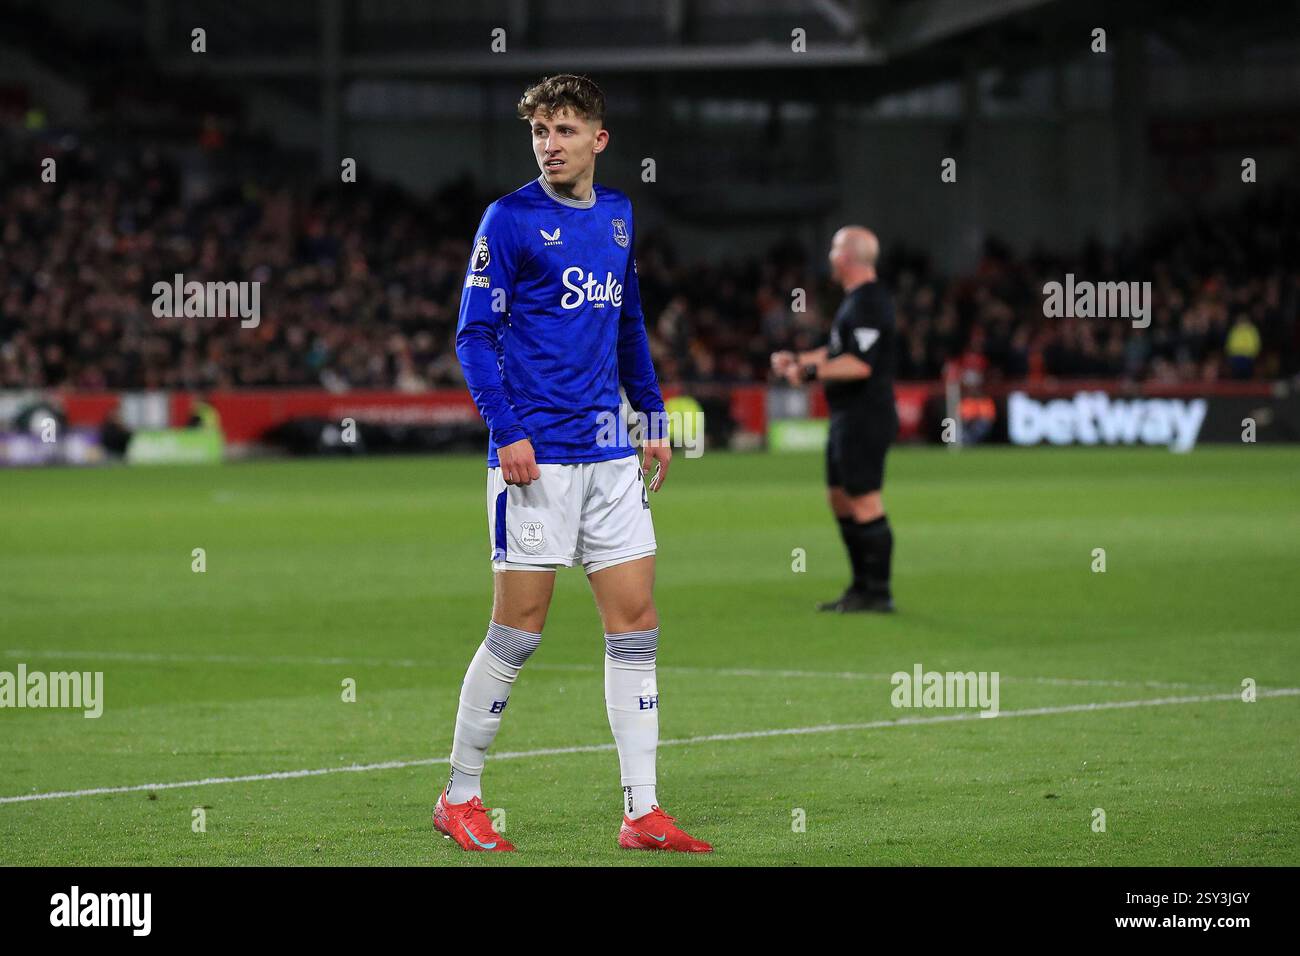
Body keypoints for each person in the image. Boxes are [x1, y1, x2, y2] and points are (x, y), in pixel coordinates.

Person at [439, 74, 711, 853]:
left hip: (610, 453)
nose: (549, 145)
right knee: (518, 631)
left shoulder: (620, 217)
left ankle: (642, 811)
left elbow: (627, 323)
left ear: (599, 138)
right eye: (539, 133)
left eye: (564, 131)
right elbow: (473, 336)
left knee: (636, 627)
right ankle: (459, 795)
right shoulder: (510, 219)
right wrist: (508, 430)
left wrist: (650, 412)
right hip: (537, 457)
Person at [772, 226, 898, 613]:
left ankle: (877, 592)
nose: (829, 256)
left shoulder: (868, 303)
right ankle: (861, 587)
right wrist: (801, 360)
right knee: (841, 498)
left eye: (834, 248)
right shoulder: (856, 302)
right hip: (848, 416)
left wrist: (808, 374)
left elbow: (859, 365)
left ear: (847, 257)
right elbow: (840, 352)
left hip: (865, 415)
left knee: (864, 502)